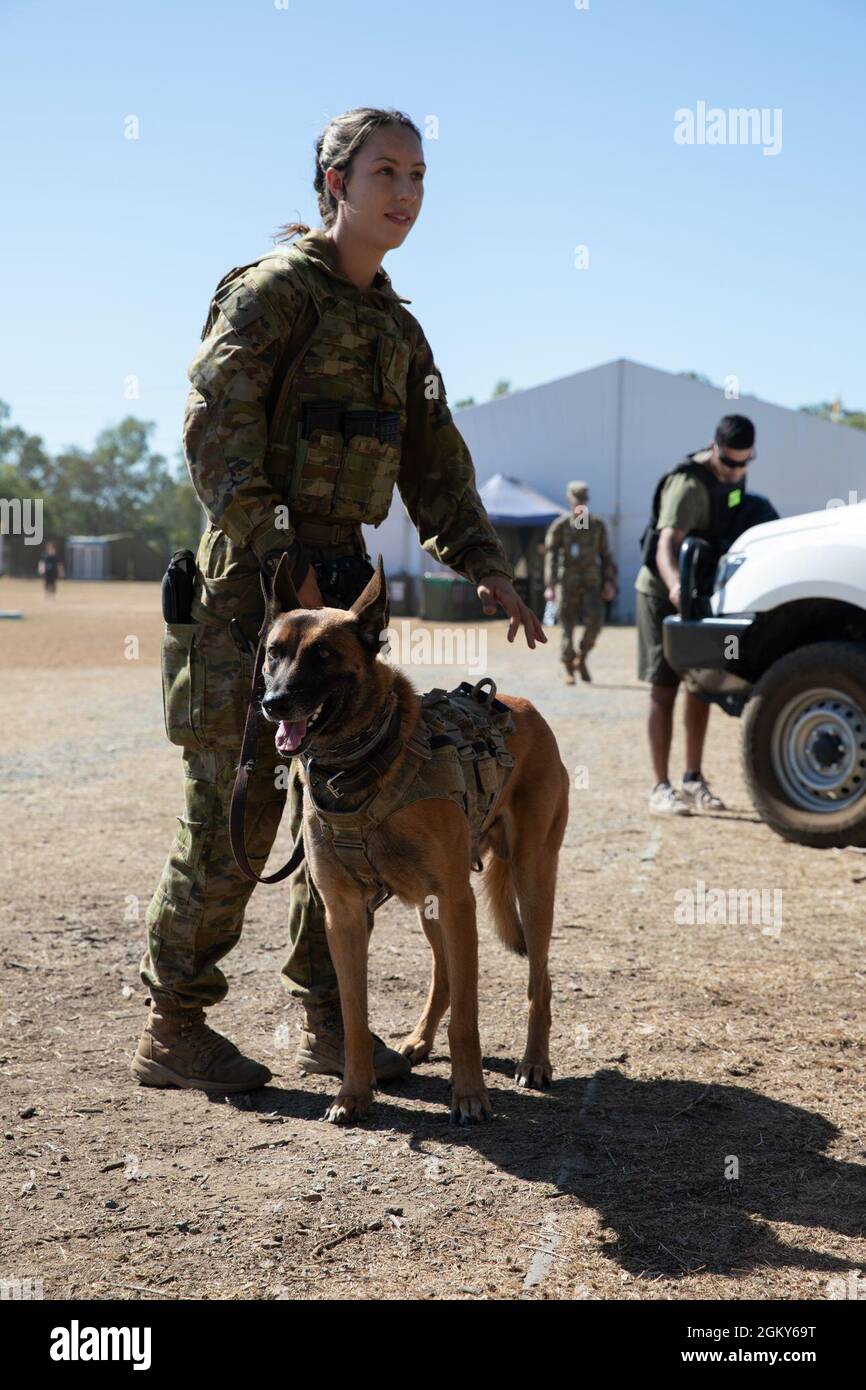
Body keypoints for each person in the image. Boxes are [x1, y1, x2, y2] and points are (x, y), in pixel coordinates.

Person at [132, 107, 545, 1094]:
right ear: (335, 183)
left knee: (345, 812)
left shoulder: (396, 329)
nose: (403, 193)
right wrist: (280, 554)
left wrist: (484, 561)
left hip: (346, 601)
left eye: (417, 175)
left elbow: (435, 465)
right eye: (383, 173)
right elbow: (213, 428)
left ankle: (330, 1020)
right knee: (237, 814)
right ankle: (174, 1027)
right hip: (251, 600)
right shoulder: (274, 296)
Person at [635, 413, 756, 815]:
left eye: (745, 462)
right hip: (661, 590)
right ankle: (660, 786)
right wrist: (674, 587)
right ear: (713, 447)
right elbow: (665, 545)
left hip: (699, 592)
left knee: (700, 686)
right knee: (663, 687)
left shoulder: (734, 481)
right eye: (730, 462)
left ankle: (692, 779)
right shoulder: (688, 485)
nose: (737, 471)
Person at [543, 481, 617, 683]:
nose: (580, 505)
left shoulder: (597, 525)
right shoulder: (560, 526)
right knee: (567, 626)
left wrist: (609, 582)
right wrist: (550, 585)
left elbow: (606, 555)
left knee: (596, 621)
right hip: (567, 583)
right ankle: (568, 667)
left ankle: (581, 658)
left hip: (592, 582)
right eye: (577, 501)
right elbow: (551, 557)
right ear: (569, 500)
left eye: (583, 501)